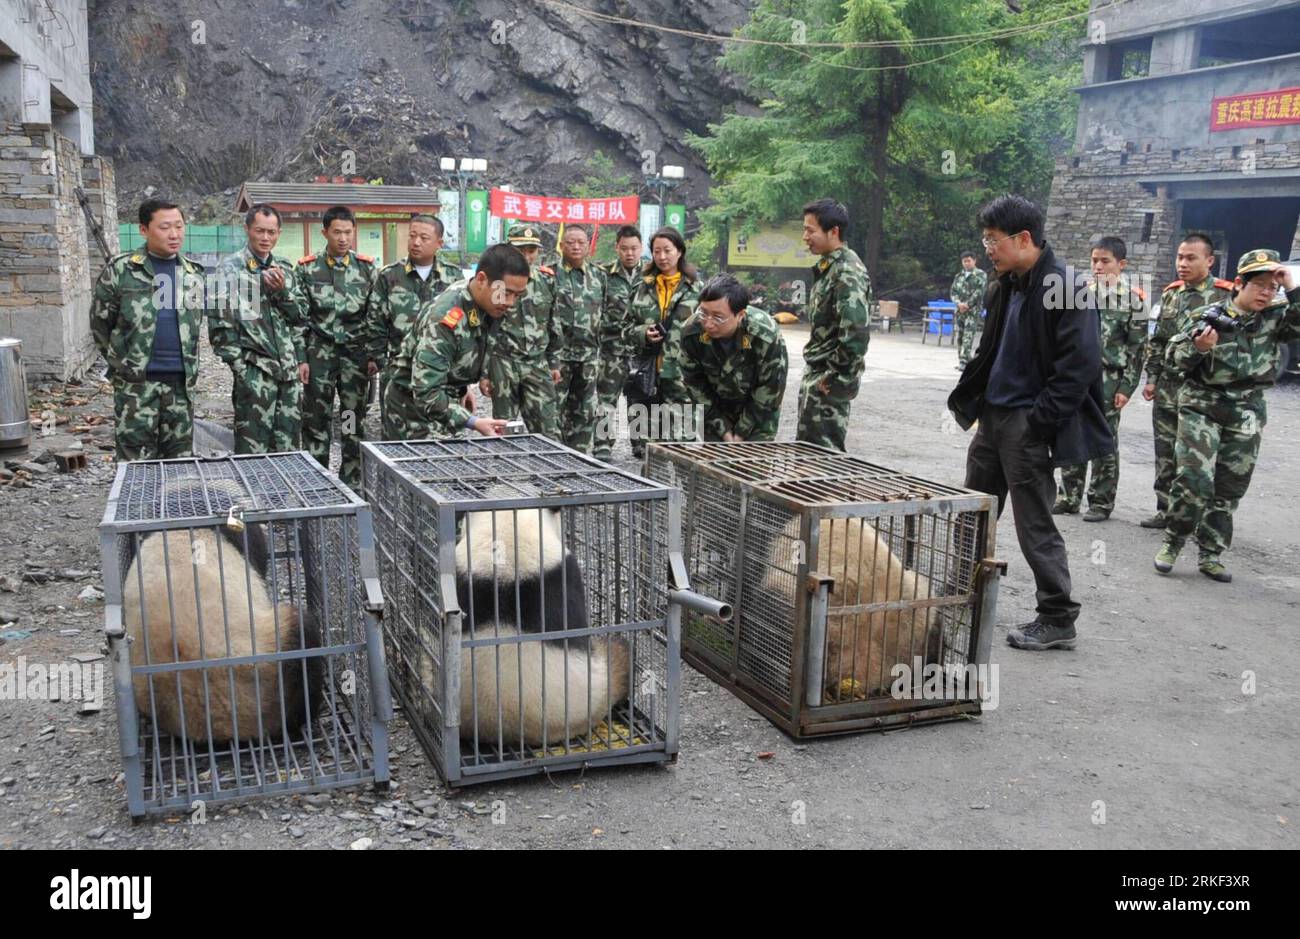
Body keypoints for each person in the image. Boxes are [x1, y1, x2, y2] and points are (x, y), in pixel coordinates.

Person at [947, 195, 1113, 652]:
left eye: (992, 240)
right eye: (984, 240)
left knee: (1034, 522)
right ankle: (959, 594)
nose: (987, 249)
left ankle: (1058, 615)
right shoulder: (1004, 283)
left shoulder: (1067, 288)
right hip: (993, 417)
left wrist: (1039, 425)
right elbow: (991, 349)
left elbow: (1077, 369)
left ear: (1023, 238)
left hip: (1026, 422)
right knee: (975, 512)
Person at [1155, 249, 1300, 583]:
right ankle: (1173, 541)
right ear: (1238, 284)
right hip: (1202, 402)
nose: (1267, 292)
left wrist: (1291, 286)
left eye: (1271, 286)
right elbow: (1174, 358)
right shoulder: (1208, 315)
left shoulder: (1276, 315)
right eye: (1260, 285)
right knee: (1194, 480)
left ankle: (1210, 553)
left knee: (1230, 485)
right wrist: (1200, 348)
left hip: (1247, 406)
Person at [90, 198, 209, 461]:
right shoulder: (121, 271)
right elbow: (100, 325)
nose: (174, 234)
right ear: (144, 230)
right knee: (136, 466)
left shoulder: (193, 274)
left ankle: (173, 505)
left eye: (179, 226)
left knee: (180, 464)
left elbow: (195, 325)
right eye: (165, 227)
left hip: (180, 387)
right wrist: (123, 362)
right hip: (136, 387)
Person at [383, 243, 529, 440]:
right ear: (482, 279)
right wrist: (474, 422)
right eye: (506, 293)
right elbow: (426, 393)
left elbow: (461, 351)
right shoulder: (445, 319)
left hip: (446, 402)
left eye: (517, 296)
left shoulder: (487, 300)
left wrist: (462, 386)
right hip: (412, 410)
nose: (510, 302)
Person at [1140, 234, 1233, 529]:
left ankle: (1199, 517)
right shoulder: (1171, 294)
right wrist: (1151, 378)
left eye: (1190, 258)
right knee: (1165, 451)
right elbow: (1157, 341)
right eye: (1180, 257)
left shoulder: (1225, 296)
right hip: (1168, 389)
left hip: (1204, 392)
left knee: (1197, 459)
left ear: (1209, 261)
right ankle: (1167, 510)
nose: (1182, 263)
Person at [1053, 235, 1147, 521]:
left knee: (1105, 440)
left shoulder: (1134, 301)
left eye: (1105, 261)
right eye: (1094, 260)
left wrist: (1127, 388)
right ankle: (1069, 496)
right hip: (1077, 377)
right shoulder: (1080, 294)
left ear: (1122, 264)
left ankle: (1101, 501)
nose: (1098, 266)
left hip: (1109, 380)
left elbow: (1137, 349)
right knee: (1071, 433)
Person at [210, 203, 309, 454]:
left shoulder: (285, 269)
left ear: (279, 233)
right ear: (247, 230)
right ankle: (253, 494)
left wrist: (283, 291)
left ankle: (282, 495)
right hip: (255, 371)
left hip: (288, 373)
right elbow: (221, 324)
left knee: (287, 445)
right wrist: (241, 368)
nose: (265, 238)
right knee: (252, 446)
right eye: (259, 231)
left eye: (271, 232)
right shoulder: (230, 269)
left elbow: (299, 318)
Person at [295, 205, 378, 489]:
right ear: (325, 233)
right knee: (316, 419)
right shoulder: (308, 268)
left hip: (355, 357)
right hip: (320, 355)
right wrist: (301, 358)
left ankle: (351, 481)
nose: (343, 238)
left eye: (348, 232)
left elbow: (374, 315)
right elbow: (300, 318)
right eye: (337, 232)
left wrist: (372, 355)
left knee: (351, 419)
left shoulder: (366, 268)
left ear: (354, 232)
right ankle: (314, 481)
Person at [797, 198, 871, 451]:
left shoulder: (847, 271)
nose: (805, 236)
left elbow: (856, 331)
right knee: (809, 453)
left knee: (823, 457)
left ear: (834, 231)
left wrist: (833, 377)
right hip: (818, 375)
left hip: (828, 380)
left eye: (810, 230)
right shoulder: (829, 267)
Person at [622, 227, 702, 457]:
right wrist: (642, 333)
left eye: (668, 250)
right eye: (657, 251)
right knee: (647, 447)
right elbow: (623, 329)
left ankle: (683, 489)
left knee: (682, 443)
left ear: (680, 252)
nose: (662, 257)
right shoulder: (641, 288)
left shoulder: (696, 290)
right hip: (647, 375)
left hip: (682, 378)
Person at [679, 274, 788, 442]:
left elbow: (770, 388)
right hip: (715, 408)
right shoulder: (691, 331)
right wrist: (722, 428)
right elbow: (694, 384)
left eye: (718, 316)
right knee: (710, 462)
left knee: (753, 464)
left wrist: (742, 432)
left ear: (740, 315)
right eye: (703, 313)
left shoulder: (764, 335)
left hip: (757, 411)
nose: (708, 323)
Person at [481, 225, 561, 438]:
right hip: (504, 362)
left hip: (537, 361)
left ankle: (549, 470)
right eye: (521, 250)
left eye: (531, 250)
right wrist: (484, 372)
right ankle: (503, 470)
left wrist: (553, 362)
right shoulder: (498, 284)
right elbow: (487, 328)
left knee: (548, 427)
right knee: (503, 427)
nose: (527, 256)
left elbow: (553, 323)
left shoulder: (547, 280)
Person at [369, 214, 451, 415]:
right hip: (398, 371)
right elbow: (376, 321)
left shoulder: (453, 277)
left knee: (439, 435)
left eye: (424, 238)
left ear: (439, 243)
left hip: (440, 374)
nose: (416, 242)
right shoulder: (389, 275)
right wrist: (381, 361)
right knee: (394, 437)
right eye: (412, 236)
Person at [551, 223, 607, 453]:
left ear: (588, 247)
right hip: (559, 356)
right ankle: (552, 455)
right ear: (561, 246)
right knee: (554, 408)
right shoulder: (549, 274)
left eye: (580, 243)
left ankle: (579, 455)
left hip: (588, 355)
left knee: (584, 410)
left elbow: (604, 312)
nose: (575, 247)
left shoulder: (599, 276)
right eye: (570, 242)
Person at [593, 225, 642, 460]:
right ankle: (603, 444)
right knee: (606, 400)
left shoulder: (651, 275)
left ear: (641, 248)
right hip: (611, 350)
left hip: (640, 350)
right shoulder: (604, 274)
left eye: (634, 248)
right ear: (617, 248)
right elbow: (595, 310)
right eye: (624, 248)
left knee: (638, 397)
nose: (629, 253)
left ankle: (640, 442)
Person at [950, 250, 988, 370]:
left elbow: (979, 292)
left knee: (968, 335)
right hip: (960, 311)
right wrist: (958, 303)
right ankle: (963, 359)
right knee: (960, 336)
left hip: (972, 311)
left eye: (969, 261)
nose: (966, 263)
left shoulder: (980, 275)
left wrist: (967, 304)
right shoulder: (959, 276)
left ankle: (964, 361)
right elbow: (953, 292)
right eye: (964, 261)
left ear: (974, 261)